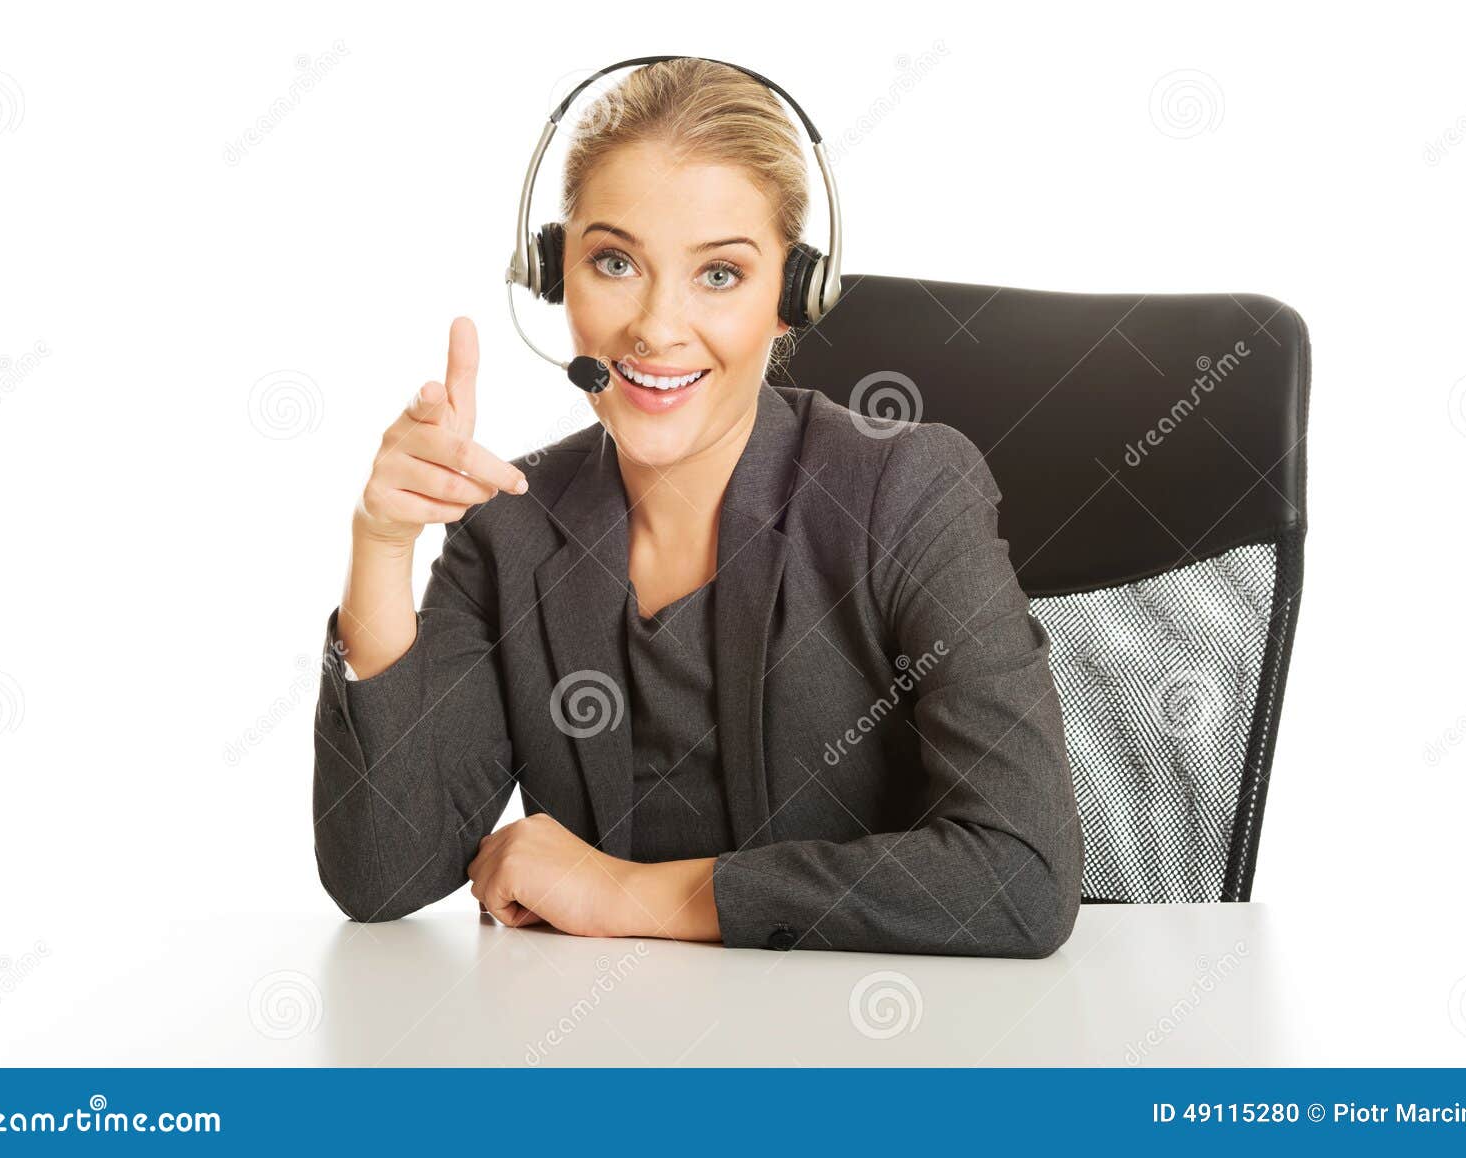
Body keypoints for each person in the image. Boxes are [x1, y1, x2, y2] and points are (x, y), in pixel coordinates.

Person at [313, 59, 1083, 956]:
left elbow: (1020, 876)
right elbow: (382, 874)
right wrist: (382, 546)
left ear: (793, 298)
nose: (657, 327)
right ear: (554, 274)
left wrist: (633, 896)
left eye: (719, 274)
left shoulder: (905, 494)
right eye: (614, 263)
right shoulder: (510, 526)